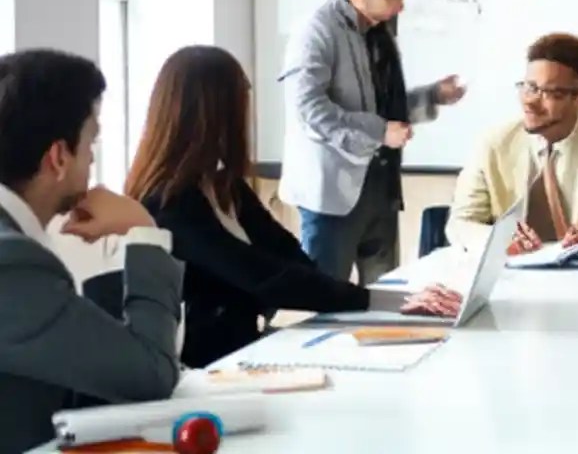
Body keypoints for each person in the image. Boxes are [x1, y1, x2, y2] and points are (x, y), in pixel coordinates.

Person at [127, 46, 461, 368]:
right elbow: (263, 276)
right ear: (214, 114)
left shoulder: (223, 185)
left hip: (247, 351)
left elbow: (289, 257)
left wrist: (396, 302)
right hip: (204, 370)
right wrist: (389, 302)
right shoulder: (169, 203)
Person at [0, 49, 182, 453]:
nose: (94, 158)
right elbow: (149, 376)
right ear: (59, 157)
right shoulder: (12, 264)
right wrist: (145, 231)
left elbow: (94, 365)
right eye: (91, 142)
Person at [279, 0, 466, 284]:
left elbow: (383, 107)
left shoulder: (378, 31)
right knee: (326, 303)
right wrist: (379, 132)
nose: (401, 5)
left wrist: (432, 96)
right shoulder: (315, 32)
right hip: (332, 197)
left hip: (382, 188)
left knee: (384, 300)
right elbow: (310, 110)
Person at [449, 33, 578, 253]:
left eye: (548, 92)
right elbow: (461, 222)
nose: (530, 101)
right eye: (529, 87)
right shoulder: (494, 143)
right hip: (511, 275)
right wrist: (499, 240)